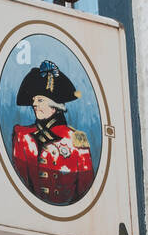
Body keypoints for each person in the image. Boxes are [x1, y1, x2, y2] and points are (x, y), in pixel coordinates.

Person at [11, 60, 93, 205]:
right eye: (34, 100)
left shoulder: (76, 139)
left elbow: (85, 188)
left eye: (40, 100)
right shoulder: (22, 136)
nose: (34, 104)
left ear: (55, 106)